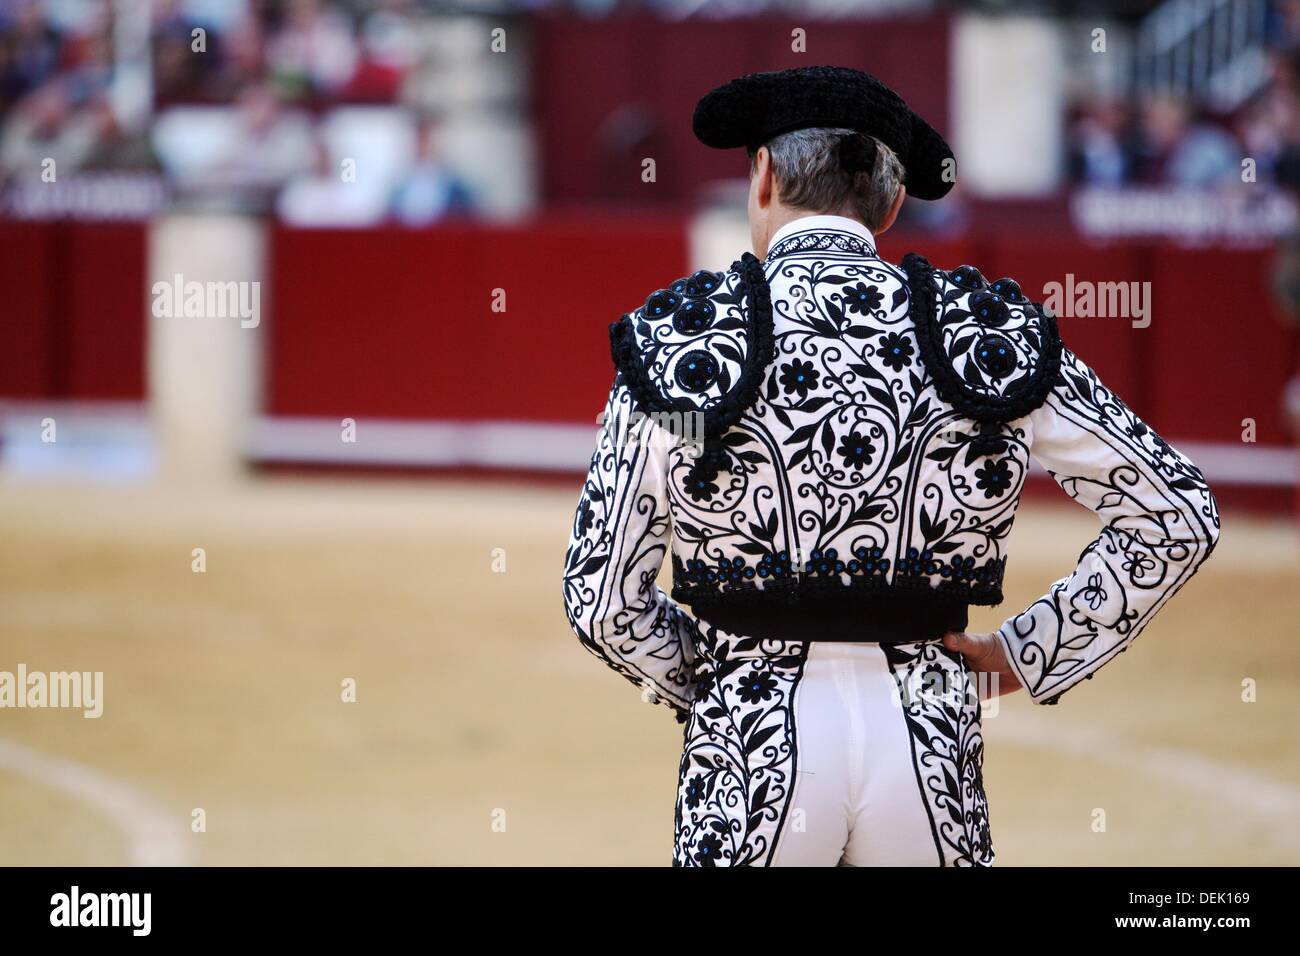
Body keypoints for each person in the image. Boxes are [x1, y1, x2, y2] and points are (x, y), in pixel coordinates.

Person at [561, 66, 1220, 867]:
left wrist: (718, 684)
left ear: (763, 176)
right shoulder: (985, 333)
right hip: (929, 725)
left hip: (751, 742)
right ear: (893, 203)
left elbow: (600, 598)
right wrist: (1026, 651)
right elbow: (1177, 514)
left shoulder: (681, 343)